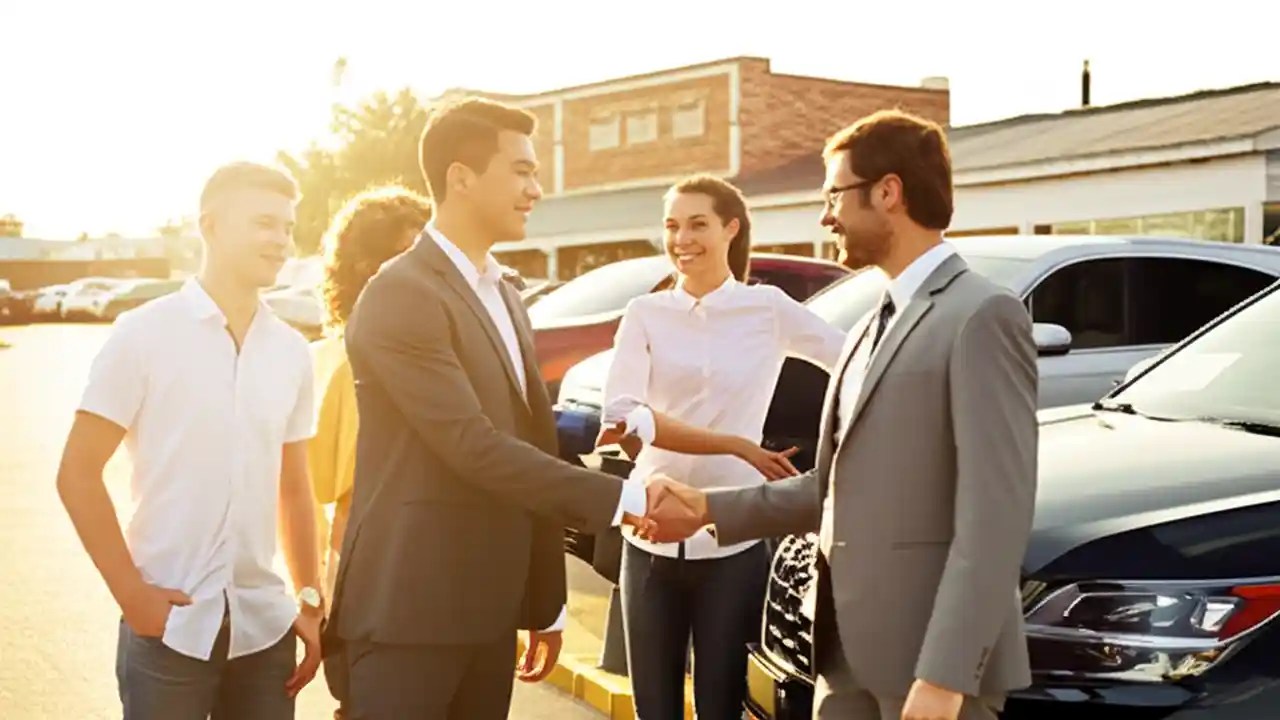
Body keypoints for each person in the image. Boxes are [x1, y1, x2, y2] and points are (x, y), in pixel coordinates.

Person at [643, 109, 1039, 720]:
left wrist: (945, 676)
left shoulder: (983, 316)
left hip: (926, 671)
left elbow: (995, 520)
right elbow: (833, 487)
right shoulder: (863, 329)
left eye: (834, 195)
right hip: (841, 658)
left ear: (888, 192)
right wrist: (707, 509)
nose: (825, 216)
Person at [326, 97, 652, 720]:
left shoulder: (504, 291)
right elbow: (471, 444)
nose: (536, 189)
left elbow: (527, 441)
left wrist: (543, 602)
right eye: (522, 171)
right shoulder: (402, 293)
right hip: (408, 617)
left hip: (488, 617)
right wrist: (625, 501)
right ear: (461, 177)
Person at [56, 161, 324, 720]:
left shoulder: (292, 351)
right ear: (212, 226)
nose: (280, 241)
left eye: (288, 228)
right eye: (264, 223)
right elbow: (77, 474)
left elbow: (296, 488)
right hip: (169, 628)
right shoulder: (143, 333)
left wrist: (310, 597)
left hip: (263, 628)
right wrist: (133, 597)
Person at [598, 174, 845, 719]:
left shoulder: (768, 309)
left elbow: (855, 364)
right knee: (654, 710)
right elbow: (623, 415)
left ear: (731, 228)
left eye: (697, 224)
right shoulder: (645, 313)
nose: (681, 238)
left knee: (721, 707)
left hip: (731, 544)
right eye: (672, 226)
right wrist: (737, 445)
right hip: (649, 534)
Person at [306, 185, 432, 717]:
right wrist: (313, 597)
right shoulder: (337, 363)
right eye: (408, 254)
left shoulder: (447, 351)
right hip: (370, 594)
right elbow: (320, 491)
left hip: (447, 590)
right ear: (363, 268)